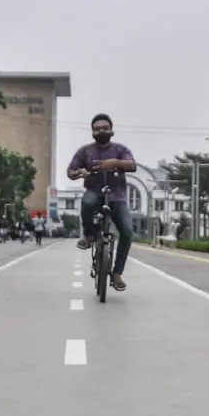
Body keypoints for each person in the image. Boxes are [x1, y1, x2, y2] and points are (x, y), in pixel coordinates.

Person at [67, 113, 136, 291]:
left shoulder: (120, 150)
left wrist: (115, 163)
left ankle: (117, 273)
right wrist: (77, 173)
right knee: (87, 202)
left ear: (111, 131)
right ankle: (89, 235)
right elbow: (71, 171)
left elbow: (132, 165)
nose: (101, 131)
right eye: (97, 129)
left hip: (117, 196)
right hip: (94, 192)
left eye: (105, 128)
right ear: (92, 132)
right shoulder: (85, 151)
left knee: (127, 232)